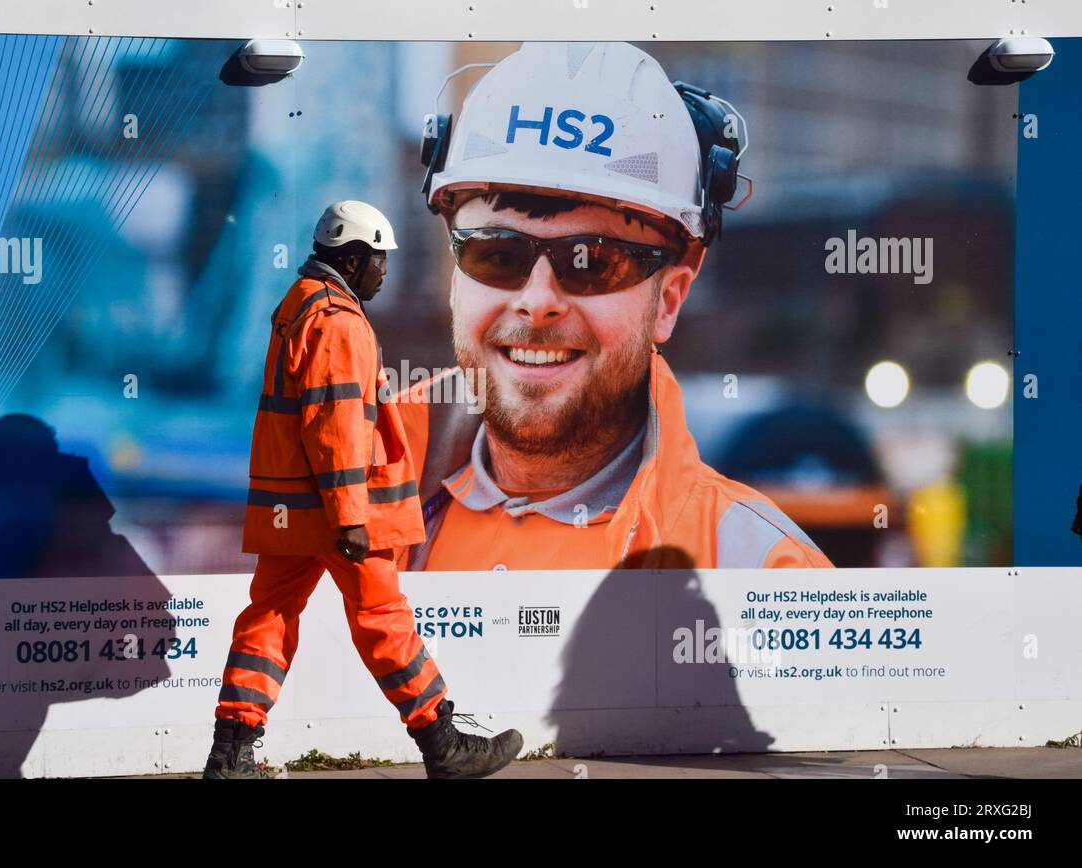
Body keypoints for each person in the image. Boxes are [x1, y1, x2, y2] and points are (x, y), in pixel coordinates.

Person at [394, 42, 835, 571]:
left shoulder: (762, 573)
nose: (537, 302)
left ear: (668, 301)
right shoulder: (339, 519)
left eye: (592, 263)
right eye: (498, 254)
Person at [204, 200, 524, 779]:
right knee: (382, 616)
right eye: (378, 261)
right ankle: (442, 744)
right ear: (352, 260)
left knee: (269, 615)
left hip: (294, 510)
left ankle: (231, 753)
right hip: (338, 510)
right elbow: (337, 425)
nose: (384, 272)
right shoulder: (340, 323)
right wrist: (349, 515)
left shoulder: (298, 306)